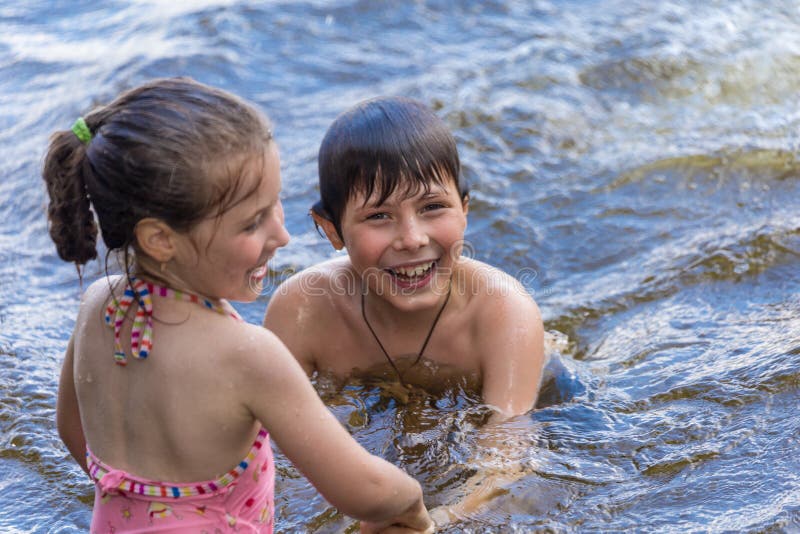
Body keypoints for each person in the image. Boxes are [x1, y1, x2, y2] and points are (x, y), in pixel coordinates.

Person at [44, 78, 432, 533]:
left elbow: (74, 433)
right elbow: (363, 488)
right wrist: (412, 506)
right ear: (160, 239)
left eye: (275, 205)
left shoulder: (98, 306)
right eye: (252, 223)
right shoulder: (247, 354)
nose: (282, 236)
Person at [264, 96, 546, 422]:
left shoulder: (503, 314)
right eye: (379, 216)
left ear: (465, 209)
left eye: (432, 207)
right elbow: (268, 436)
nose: (412, 239)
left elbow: (504, 450)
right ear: (332, 229)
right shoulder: (303, 312)